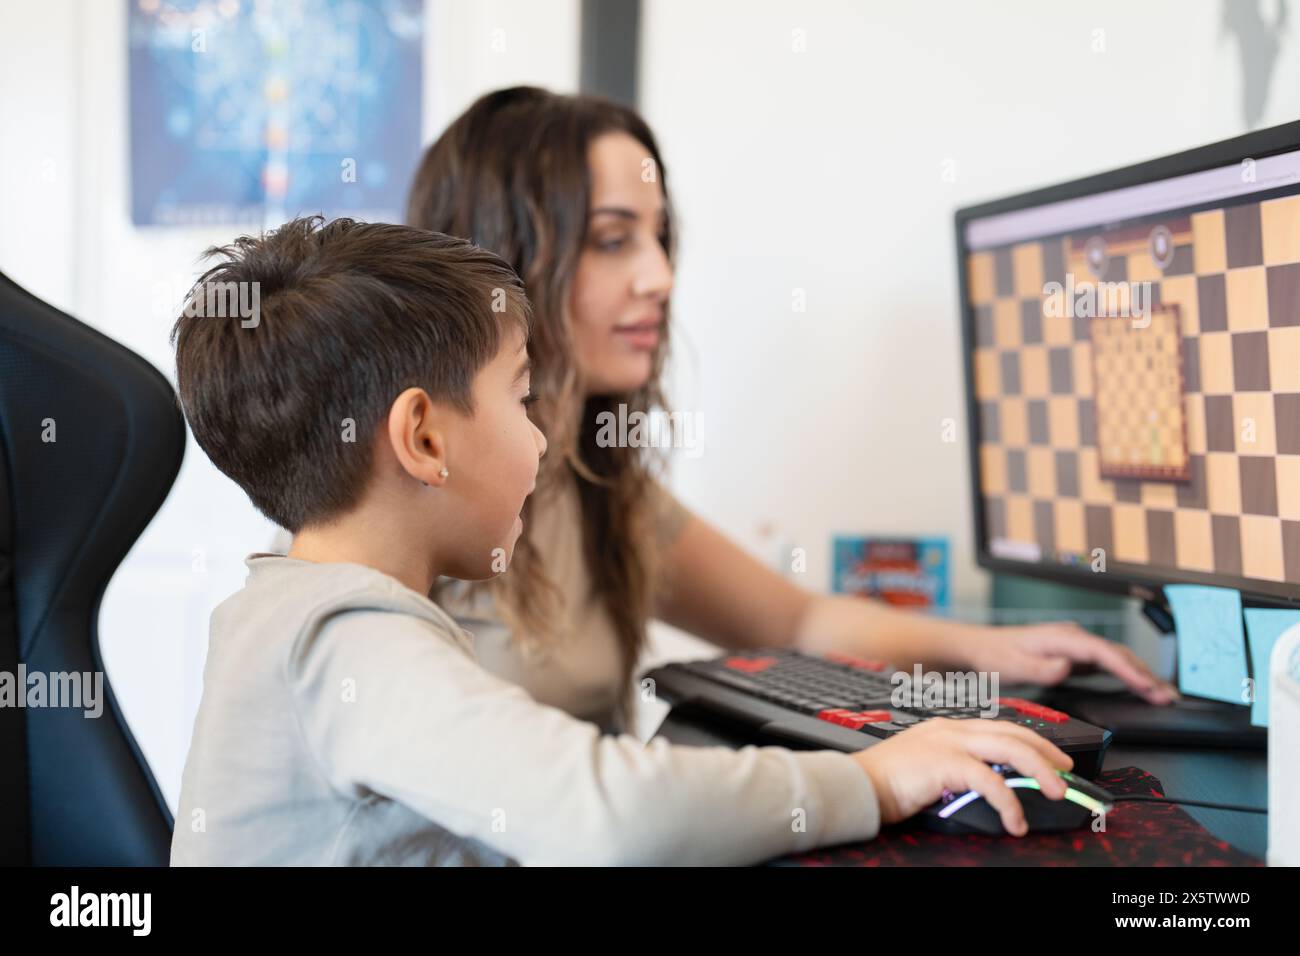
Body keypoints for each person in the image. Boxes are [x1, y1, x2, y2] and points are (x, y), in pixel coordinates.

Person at [169, 215, 1075, 866]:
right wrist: (873, 785)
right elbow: (604, 819)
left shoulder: (277, 614)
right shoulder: (347, 643)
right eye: (521, 398)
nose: (538, 437)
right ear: (425, 440)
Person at [406, 86, 1179, 736]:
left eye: (661, 237)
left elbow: (797, 623)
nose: (660, 276)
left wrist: (991, 650)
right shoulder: (412, 499)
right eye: (614, 241)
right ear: (499, 260)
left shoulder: (603, 483)